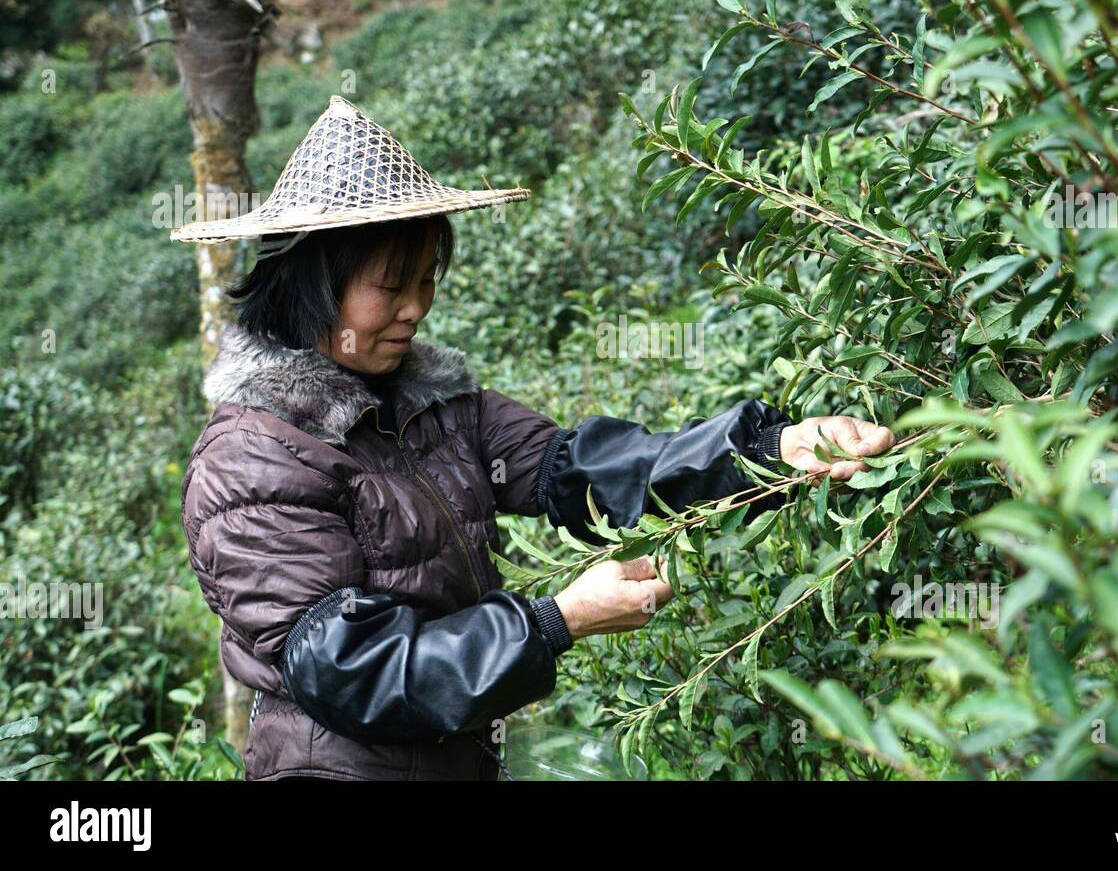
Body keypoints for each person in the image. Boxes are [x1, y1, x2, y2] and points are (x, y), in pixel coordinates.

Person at [175, 96, 895, 780]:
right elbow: (352, 670)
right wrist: (557, 621)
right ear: (312, 282)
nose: (417, 308)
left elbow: (582, 469)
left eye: (427, 280)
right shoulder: (254, 457)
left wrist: (769, 451)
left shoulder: (436, 405)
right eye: (391, 286)